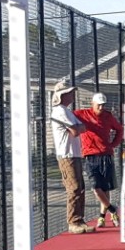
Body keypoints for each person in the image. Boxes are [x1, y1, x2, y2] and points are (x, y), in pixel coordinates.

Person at [75, 91, 122, 230]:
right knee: (96, 187)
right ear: (93, 104)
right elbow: (66, 116)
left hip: (106, 155)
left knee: (105, 188)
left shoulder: (108, 116)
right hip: (90, 156)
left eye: (103, 105)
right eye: (98, 105)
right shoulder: (82, 114)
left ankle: (102, 216)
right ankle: (113, 210)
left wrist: (113, 144)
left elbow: (119, 130)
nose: (101, 108)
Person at [47, 84, 88, 233]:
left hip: (75, 153)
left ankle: (80, 220)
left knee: (81, 187)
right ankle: (73, 222)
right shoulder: (59, 111)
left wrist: (79, 127)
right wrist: (79, 127)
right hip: (66, 155)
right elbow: (76, 130)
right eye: (68, 93)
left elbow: (81, 128)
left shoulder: (67, 111)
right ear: (61, 95)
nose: (71, 95)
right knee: (74, 188)